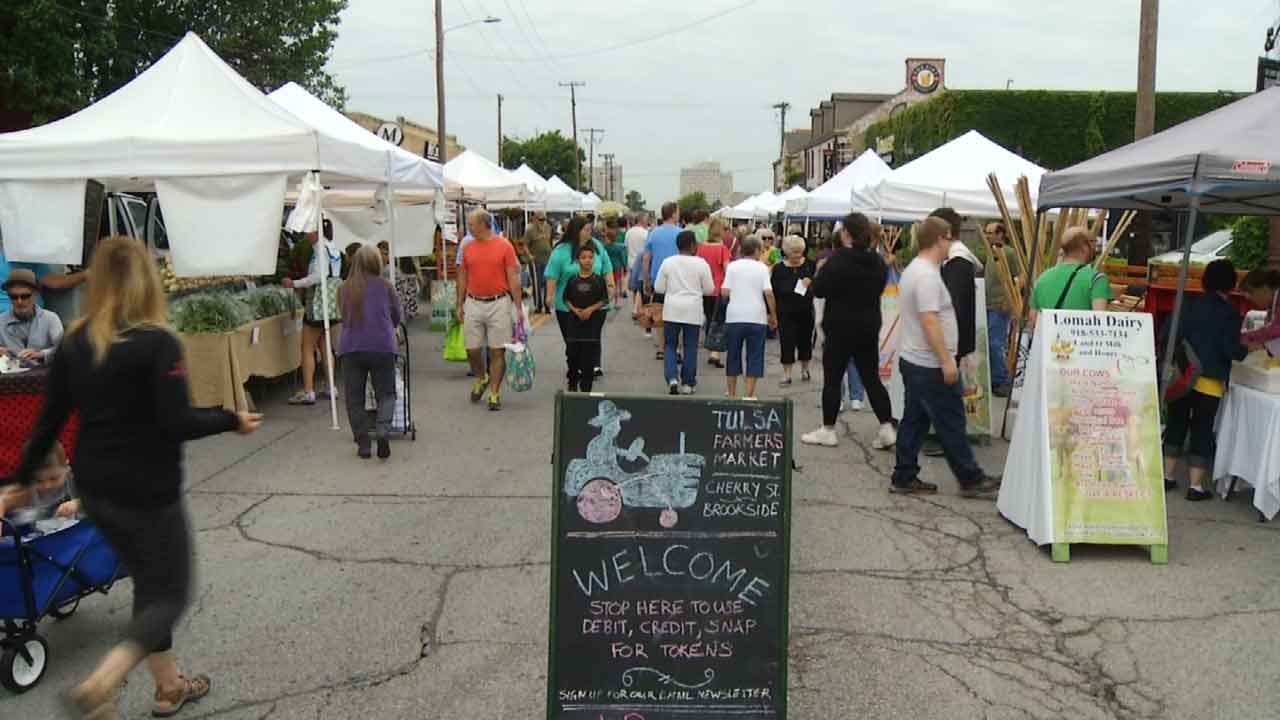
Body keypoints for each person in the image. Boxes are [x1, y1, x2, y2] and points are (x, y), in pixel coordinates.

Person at [1, 236, 261, 718]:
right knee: (171, 593)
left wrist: (17, 482)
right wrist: (232, 418)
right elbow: (178, 422)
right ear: (145, 282)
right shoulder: (158, 343)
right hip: (148, 491)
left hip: (96, 490)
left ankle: (168, 688)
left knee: (148, 581)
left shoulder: (76, 341)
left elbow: (47, 422)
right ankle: (102, 683)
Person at [891, 217, 1000, 498]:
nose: (951, 243)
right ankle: (970, 478)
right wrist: (946, 360)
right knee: (951, 421)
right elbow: (930, 320)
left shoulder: (915, 269)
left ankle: (904, 475)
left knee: (914, 421)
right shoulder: (927, 275)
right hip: (929, 362)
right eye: (949, 238)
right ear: (941, 238)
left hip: (915, 359)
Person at [803, 215, 896, 449]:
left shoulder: (838, 259)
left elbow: (819, 290)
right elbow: (880, 286)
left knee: (833, 378)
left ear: (846, 233)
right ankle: (886, 426)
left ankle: (828, 429)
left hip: (840, 325)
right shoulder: (877, 261)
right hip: (868, 324)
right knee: (871, 377)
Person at [1162, 259, 1247, 501]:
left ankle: (1168, 476)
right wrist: (1245, 350)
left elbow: (1167, 335)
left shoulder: (1187, 303)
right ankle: (1196, 486)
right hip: (1210, 380)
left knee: (1177, 422)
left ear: (1205, 280)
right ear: (1231, 284)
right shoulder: (1230, 313)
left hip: (1183, 376)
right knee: (1201, 429)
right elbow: (1232, 350)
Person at [456, 208, 524, 411]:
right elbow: (462, 276)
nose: (468, 228)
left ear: (484, 224)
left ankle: (494, 393)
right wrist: (459, 303)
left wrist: (518, 307)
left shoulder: (504, 246)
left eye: (471, 224)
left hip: (499, 302)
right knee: (472, 349)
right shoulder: (467, 247)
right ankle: (481, 377)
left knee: (497, 350)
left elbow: (513, 277)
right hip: (473, 301)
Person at [338, 246, 403, 460]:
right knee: (386, 393)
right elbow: (396, 315)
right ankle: (383, 430)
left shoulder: (343, 288)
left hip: (351, 346)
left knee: (354, 398)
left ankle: (363, 442)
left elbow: (342, 314)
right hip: (382, 345)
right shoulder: (386, 286)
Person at [546, 216, 615, 389]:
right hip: (568, 308)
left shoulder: (597, 246)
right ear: (576, 230)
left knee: (590, 343)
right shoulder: (561, 250)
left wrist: (611, 285)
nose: (589, 233)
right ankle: (573, 374)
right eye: (585, 230)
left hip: (596, 307)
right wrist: (549, 295)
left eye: (590, 230)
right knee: (573, 345)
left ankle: (587, 377)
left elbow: (606, 267)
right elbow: (552, 274)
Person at [282, 220, 342, 405]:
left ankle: (308, 390)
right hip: (331, 304)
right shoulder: (333, 248)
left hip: (317, 304)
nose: (305, 235)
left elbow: (317, 276)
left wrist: (295, 283)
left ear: (316, 231)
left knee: (307, 347)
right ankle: (330, 387)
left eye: (308, 231)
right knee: (325, 345)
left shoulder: (319, 249)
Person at [656, 230, 715, 394]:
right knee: (690, 346)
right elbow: (709, 289)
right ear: (692, 245)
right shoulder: (701, 263)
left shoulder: (668, 262)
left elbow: (659, 287)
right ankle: (688, 383)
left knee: (670, 345)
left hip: (672, 308)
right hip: (693, 309)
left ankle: (672, 378)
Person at [721, 235, 778, 399]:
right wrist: (773, 315)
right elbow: (768, 293)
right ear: (757, 251)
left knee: (733, 354)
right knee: (754, 355)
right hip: (756, 317)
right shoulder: (762, 268)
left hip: (734, 316)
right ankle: (749, 394)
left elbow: (725, 291)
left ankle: (731, 393)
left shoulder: (732, 266)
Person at [1029, 226, 1112, 325]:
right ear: (1084, 247)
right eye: (1093, 242)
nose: (1095, 246)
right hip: (1081, 340)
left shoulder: (1042, 278)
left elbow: (1033, 317)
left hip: (1050, 340)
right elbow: (1100, 321)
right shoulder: (1096, 279)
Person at [563, 244, 609, 393]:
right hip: (573, 324)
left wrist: (591, 309)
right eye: (583, 258)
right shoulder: (572, 280)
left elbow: (604, 300)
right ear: (577, 261)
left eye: (590, 257)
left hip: (592, 324)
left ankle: (586, 389)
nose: (587, 261)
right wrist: (575, 310)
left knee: (588, 358)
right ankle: (572, 383)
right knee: (572, 355)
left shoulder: (598, 280)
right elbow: (566, 299)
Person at [983, 222, 1022, 397]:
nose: (987, 236)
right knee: (989, 342)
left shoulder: (1009, 253)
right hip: (987, 304)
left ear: (1001, 234)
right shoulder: (990, 252)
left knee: (995, 343)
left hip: (1000, 305)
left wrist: (1011, 297)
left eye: (990, 233)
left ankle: (1001, 380)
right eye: (986, 233)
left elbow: (1021, 277)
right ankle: (993, 378)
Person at [771, 235, 816, 386]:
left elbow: (819, 287)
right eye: (794, 252)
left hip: (805, 311)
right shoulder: (778, 268)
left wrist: (811, 284)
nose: (798, 255)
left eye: (800, 252)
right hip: (785, 312)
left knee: (805, 341)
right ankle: (787, 374)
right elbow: (774, 291)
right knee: (786, 342)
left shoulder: (810, 265)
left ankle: (805, 369)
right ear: (786, 252)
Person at [643, 202, 682, 360]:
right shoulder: (681, 233)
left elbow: (646, 258)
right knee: (677, 314)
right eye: (678, 212)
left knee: (659, 313)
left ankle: (661, 348)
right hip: (678, 279)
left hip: (658, 278)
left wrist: (646, 279)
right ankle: (676, 348)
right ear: (673, 214)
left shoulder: (653, 233)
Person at [0, 268, 64, 365]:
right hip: (10, 376)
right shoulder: (1, 321)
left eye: (25, 296)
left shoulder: (50, 318)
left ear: (35, 294)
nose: (19, 301)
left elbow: (64, 351)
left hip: (44, 377)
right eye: (14, 297)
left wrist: (41, 354)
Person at [697, 217, 733, 368]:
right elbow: (728, 270)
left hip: (703, 288)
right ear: (721, 231)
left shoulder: (701, 248)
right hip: (718, 289)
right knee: (718, 321)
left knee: (708, 317)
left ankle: (710, 346)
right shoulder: (722, 249)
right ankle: (714, 352)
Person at [1239, 269, 1280, 349]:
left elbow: (1275, 328)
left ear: (1264, 289)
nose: (1254, 302)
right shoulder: (1272, 301)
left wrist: (1251, 336)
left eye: (1253, 297)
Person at [526, 212, 554, 314]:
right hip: (536, 260)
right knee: (537, 283)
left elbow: (549, 241)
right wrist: (529, 255)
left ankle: (547, 305)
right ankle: (538, 305)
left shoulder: (548, 228)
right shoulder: (530, 230)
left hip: (547, 259)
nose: (542, 222)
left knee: (547, 282)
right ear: (535, 219)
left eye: (544, 219)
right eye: (540, 219)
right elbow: (524, 244)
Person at [625, 214, 650, 320]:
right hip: (641, 263)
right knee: (641, 287)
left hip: (631, 262)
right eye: (646, 219)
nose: (647, 221)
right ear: (642, 220)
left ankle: (635, 308)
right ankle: (638, 310)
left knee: (635, 288)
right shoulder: (646, 233)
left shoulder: (629, 232)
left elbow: (626, 247)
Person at [603, 218, 628, 305]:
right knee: (616, 285)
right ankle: (616, 303)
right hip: (617, 267)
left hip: (607, 268)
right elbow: (622, 258)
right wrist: (624, 266)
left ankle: (608, 302)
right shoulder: (619, 247)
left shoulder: (604, 247)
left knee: (608, 284)